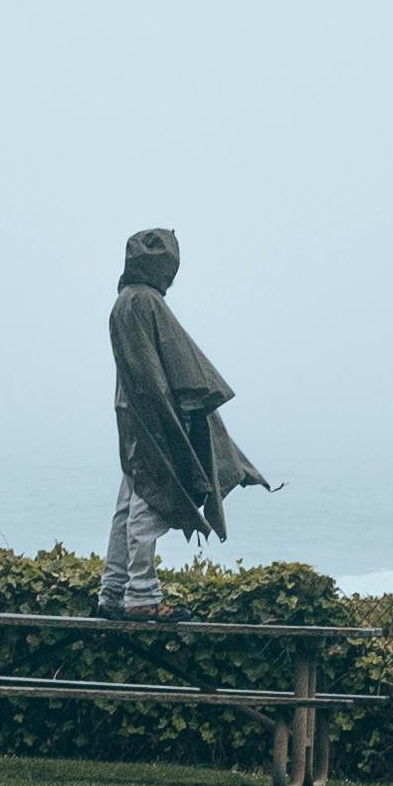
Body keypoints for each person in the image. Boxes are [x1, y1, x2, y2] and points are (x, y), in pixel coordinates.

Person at [100, 226, 266, 616]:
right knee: (148, 500)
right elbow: (172, 372)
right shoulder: (145, 303)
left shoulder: (124, 302)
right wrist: (178, 420)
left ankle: (111, 592)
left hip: (133, 419)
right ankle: (141, 596)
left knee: (129, 502)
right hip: (152, 421)